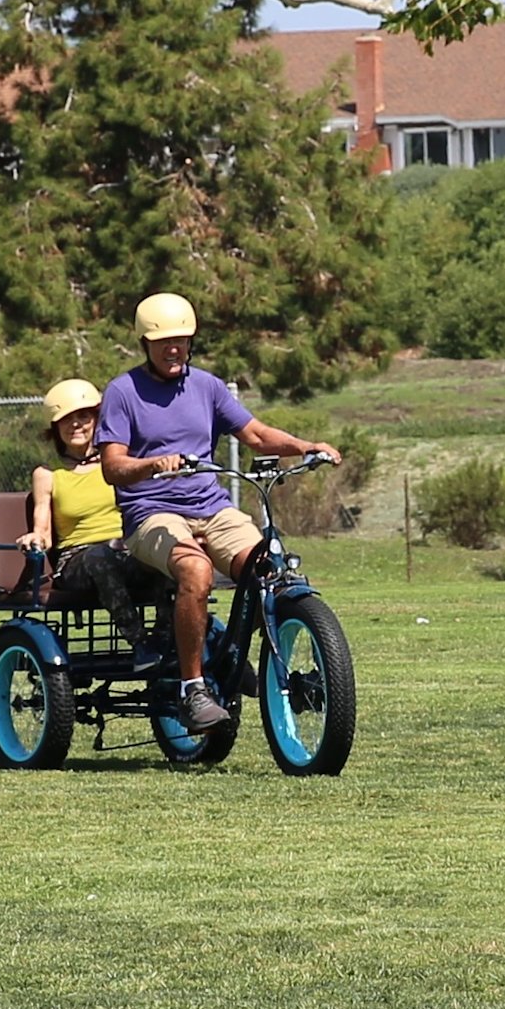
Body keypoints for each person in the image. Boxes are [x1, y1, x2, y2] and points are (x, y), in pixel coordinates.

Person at [98, 292, 336, 733]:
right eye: (164, 341)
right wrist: (152, 465)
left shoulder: (206, 386)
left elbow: (257, 435)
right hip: (150, 512)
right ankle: (193, 688)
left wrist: (306, 447)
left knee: (266, 567)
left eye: (182, 341)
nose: (174, 349)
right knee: (196, 572)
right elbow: (113, 468)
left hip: (211, 507)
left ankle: (250, 658)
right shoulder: (122, 392)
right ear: (145, 343)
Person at [26, 377, 146, 650]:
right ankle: (140, 644)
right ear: (55, 428)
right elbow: (42, 530)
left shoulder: (118, 463)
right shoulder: (47, 473)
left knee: (169, 553)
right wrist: (33, 537)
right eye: (67, 419)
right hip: (77, 560)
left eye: (84, 416)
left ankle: (179, 641)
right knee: (98, 556)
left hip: (126, 549)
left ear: (97, 419)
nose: (76, 424)